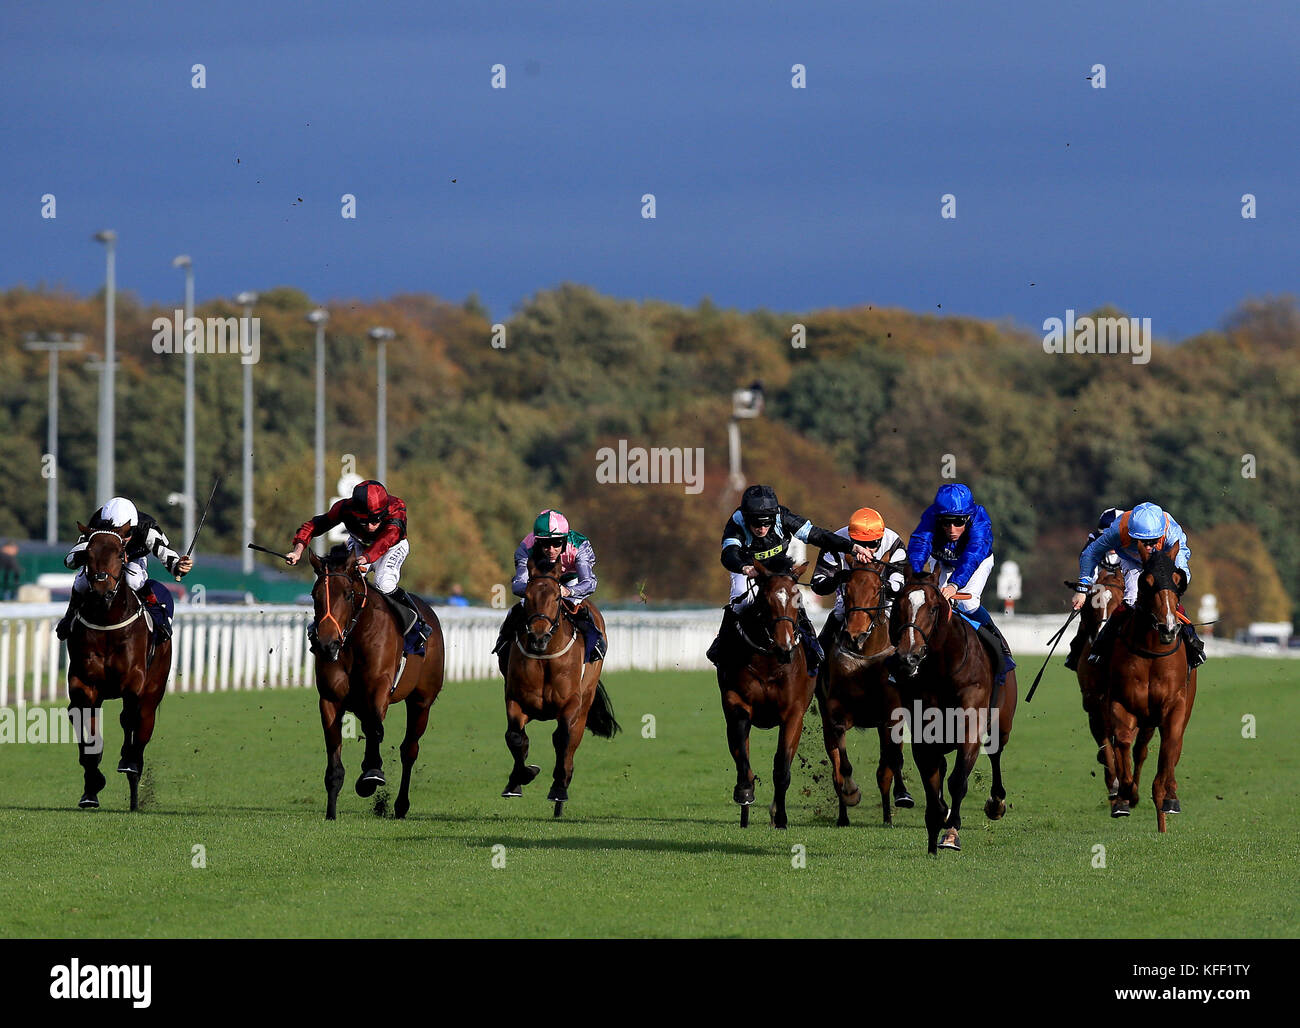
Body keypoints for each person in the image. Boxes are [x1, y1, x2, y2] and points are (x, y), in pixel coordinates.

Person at [707, 484, 868, 678]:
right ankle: (721, 645)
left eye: (766, 524)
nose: (762, 529)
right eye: (756, 524)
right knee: (742, 603)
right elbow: (728, 554)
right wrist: (744, 567)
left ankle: (813, 648)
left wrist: (851, 548)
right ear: (747, 518)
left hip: (778, 569)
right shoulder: (737, 521)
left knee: (792, 601)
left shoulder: (783, 517)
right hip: (748, 568)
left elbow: (817, 535)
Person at [285, 479, 431, 656]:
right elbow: (315, 525)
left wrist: (366, 559)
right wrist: (298, 550)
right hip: (359, 545)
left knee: (384, 583)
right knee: (341, 581)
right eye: (364, 521)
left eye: (375, 520)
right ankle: (322, 625)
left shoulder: (397, 507)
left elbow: (387, 540)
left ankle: (418, 625)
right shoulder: (343, 508)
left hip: (392, 547)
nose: (370, 526)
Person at [905, 483, 1016, 689]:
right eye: (946, 523)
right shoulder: (931, 516)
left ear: (968, 517)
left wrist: (955, 585)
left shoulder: (980, 521)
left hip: (975, 562)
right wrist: (917, 574)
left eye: (958, 522)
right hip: (942, 559)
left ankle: (1000, 648)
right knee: (926, 602)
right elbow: (920, 544)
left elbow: (972, 557)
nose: (951, 529)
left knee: (968, 604)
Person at [1073, 501, 1204, 669]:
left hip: (1162, 559)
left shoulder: (1171, 530)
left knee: (1168, 598)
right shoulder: (1118, 529)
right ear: (1131, 533)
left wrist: (1176, 584)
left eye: (1152, 541)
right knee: (1130, 600)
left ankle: (1192, 641)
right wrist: (1082, 588)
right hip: (1132, 560)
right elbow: (1091, 552)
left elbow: (1181, 558)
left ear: (1161, 533)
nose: (1149, 547)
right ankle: (1101, 645)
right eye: (1143, 541)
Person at [56, 496, 191, 640]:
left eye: (124, 533)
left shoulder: (147, 527)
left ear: (132, 527)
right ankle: (69, 616)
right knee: (81, 581)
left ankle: (158, 616)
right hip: (104, 560)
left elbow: (165, 552)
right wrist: (84, 556)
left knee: (133, 579)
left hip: (133, 559)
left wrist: (178, 566)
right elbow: (70, 559)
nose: (120, 538)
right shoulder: (97, 523)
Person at [492, 509, 606, 665]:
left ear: (565, 540)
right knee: (516, 610)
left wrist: (568, 591)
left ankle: (595, 646)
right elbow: (518, 584)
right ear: (537, 541)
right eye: (545, 544)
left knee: (581, 610)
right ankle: (503, 645)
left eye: (557, 543)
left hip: (570, 582)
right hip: (539, 585)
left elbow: (589, 582)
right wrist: (535, 591)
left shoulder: (580, 545)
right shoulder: (526, 548)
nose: (551, 549)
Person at [810, 507, 908, 652]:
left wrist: (877, 585)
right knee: (839, 612)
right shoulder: (835, 540)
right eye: (860, 544)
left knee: (899, 615)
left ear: (881, 539)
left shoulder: (893, 542)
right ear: (850, 539)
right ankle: (818, 660)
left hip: (882, 595)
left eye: (873, 544)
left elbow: (900, 585)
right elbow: (817, 584)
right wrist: (839, 577)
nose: (866, 550)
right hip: (849, 594)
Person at [1064, 507, 1125, 671]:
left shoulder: (1133, 546)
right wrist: (1085, 591)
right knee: (1090, 611)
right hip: (1099, 587)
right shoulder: (1092, 545)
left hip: (1127, 590)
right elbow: (1088, 572)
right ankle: (1077, 650)